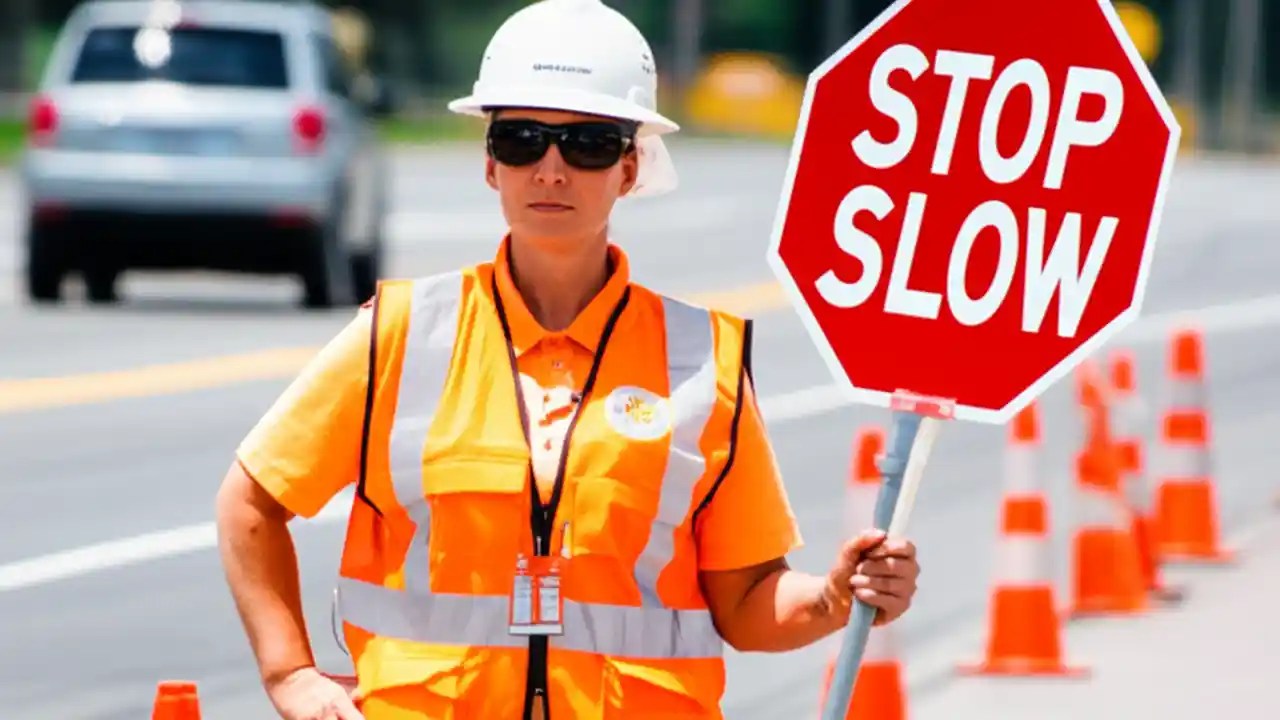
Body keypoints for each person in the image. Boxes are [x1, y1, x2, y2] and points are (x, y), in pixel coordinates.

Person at [214, 1, 921, 718]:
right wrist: (290, 674)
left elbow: (744, 601)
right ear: (491, 162)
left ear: (630, 165)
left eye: (586, 143)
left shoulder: (702, 362)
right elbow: (250, 501)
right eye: (522, 139)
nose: (551, 169)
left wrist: (835, 598)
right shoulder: (400, 335)